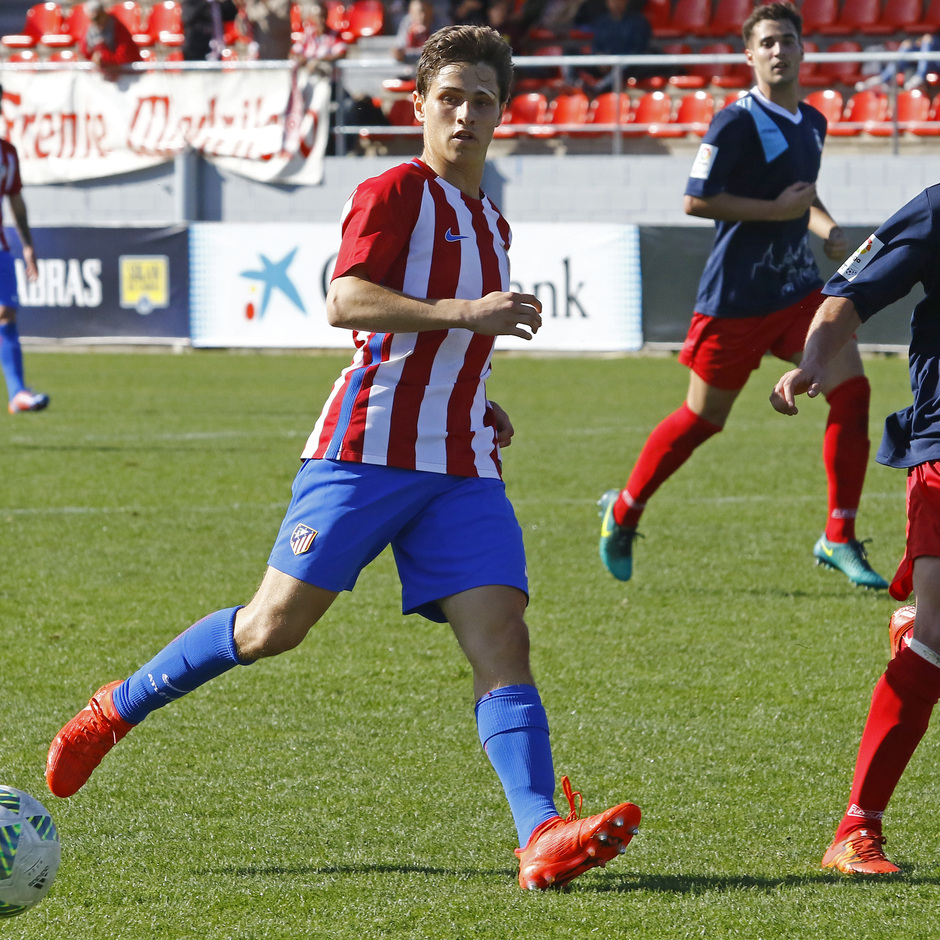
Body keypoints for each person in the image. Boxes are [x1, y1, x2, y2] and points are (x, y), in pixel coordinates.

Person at [45, 25, 641, 892]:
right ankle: (116, 708)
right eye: (450, 99)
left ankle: (540, 832)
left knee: (502, 639)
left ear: (501, 113)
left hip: (462, 461)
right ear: (420, 107)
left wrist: (475, 390)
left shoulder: (491, 220)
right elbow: (345, 299)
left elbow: (437, 337)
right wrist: (465, 315)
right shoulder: (395, 189)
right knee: (269, 629)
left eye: (482, 100)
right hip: (365, 448)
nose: (466, 114)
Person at [598, 2, 888, 591]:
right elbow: (696, 199)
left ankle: (838, 534)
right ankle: (624, 510)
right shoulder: (733, 121)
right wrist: (778, 211)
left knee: (854, 393)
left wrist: (826, 228)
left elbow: (802, 195)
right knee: (703, 420)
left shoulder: (813, 121)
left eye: (788, 39)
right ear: (749, 55)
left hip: (799, 292)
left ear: (804, 49)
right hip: (735, 301)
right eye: (768, 42)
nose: (779, 50)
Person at [770, 183, 940, 875]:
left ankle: (919, 624)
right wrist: (816, 357)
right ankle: (856, 828)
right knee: (936, 638)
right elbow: (851, 291)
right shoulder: (935, 209)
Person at [0, 94, 48, 416]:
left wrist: (27, 245)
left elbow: (15, 201)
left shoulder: (7, 153)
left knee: (6, 314)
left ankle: (17, 393)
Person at [855, 33, 939, 94]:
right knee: (908, 45)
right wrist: (918, 43)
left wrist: (927, 41)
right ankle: (883, 79)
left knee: (929, 40)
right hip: (929, 60)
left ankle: (920, 77)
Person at [79, 0, 143, 69]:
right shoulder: (89, 30)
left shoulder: (117, 28)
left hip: (128, 72)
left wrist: (103, 56)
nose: (96, 22)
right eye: (92, 19)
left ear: (104, 13)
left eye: (98, 17)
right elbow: (85, 52)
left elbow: (123, 58)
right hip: (104, 73)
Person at [291, 0, 347, 74]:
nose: (321, 20)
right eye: (318, 17)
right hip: (307, 74)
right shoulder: (306, 34)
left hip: (326, 75)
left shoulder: (334, 34)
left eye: (323, 16)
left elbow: (342, 53)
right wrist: (301, 59)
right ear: (312, 18)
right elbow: (294, 52)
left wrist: (319, 60)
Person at [393, 0, 440, 65]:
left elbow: (436, 51)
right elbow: (399, 48)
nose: (423, 15)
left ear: (431, 10)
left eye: (425, 11)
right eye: (419, 12)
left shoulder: (441, 23)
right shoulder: (407, 22)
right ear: (411, 12)